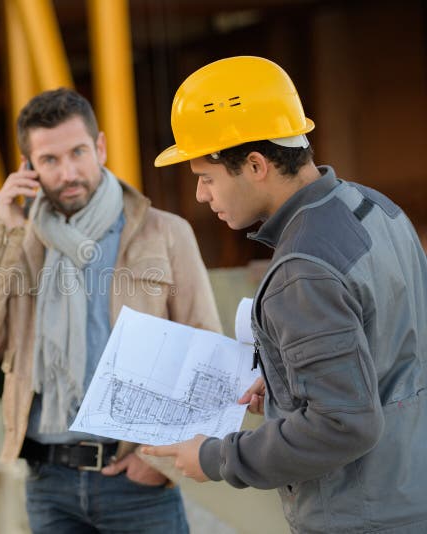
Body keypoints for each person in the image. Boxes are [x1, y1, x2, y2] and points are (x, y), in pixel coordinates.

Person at [143, 55, 427, 533]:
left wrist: (216, 457)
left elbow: (343, 424)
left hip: (360, 515)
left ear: (255, 164)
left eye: (205, 177)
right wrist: (285, 382)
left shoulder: (302, 268)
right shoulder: (376, 210)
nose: (200, 196)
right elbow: (393, 351)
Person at [0, 88, 221, 533]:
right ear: (29, 168)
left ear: (100, 147)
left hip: (137, 481)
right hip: (48, 483)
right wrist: (1, 229)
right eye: (50, 160)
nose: (68, 172)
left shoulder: (165, 234)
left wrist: (163, 462)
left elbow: (207, 352)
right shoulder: (20, 243)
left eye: (78, 152)